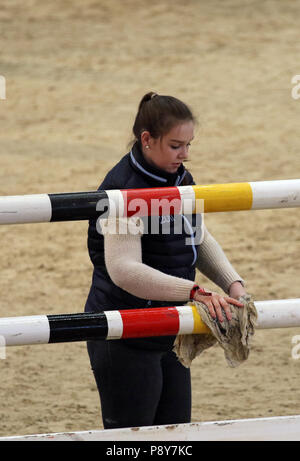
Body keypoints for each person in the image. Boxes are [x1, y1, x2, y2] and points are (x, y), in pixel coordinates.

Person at [85, 92, 246, 430]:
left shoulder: (182, 179)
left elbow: (197, 237)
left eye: (188, 145)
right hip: (125, 333)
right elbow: (124, 270)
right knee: (133, 440)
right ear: (147, 139)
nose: (185, 154)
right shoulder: (121, 189)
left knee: (176, 432)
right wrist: (195, 292)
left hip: (171, 327)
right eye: (176, 146)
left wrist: (234, 285)